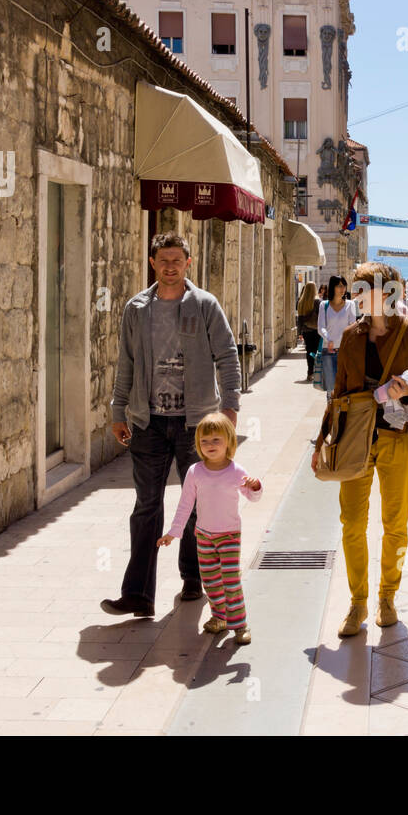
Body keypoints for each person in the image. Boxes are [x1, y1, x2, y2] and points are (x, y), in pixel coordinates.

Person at [104, 233, 241, 617]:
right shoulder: (137, 308)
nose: (169, 266)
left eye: (176, 259)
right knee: (147, 505)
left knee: (196, 502)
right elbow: (126, 362)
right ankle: (138, 595)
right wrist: (119, 411)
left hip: (195, 423)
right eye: (163, 259)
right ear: (152, 263)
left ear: (188, 262)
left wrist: (229, 406)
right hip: (147, 422)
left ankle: (193, 578)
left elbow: (227, 356)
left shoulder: (204, 304)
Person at [313, 261, 408, 638]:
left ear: (387, 294)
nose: (354, 297)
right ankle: (357, 602)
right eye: (354, 290)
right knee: (352, 523)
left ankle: (388, 596)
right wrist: (322, 442)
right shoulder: (352, 336)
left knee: (395, 526)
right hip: (356, 441)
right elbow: (338, 395)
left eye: (361, 290)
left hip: (399, 440)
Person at [158, 413, 262, 644]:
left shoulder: (236, 471)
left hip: (229, 535)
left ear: (229, 442)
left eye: (216, 440)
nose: (210, 445)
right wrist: (173, 533)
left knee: (230, 580)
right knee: (211, 580)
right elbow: (186, 505)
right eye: (204, 441)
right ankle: (219, 617)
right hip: (203, 535)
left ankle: (240, 625)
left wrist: (255, 485)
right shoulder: (195, 471)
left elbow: (253, 497)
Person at [318, 275, 357, 398]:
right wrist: (328, 339)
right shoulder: (324, 305)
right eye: (339, 285)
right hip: (328, 351)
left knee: (344, 387)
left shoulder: (350, 305)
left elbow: (352, 326)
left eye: (344, 286)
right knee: (331, 389)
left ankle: (341, 415)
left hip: (345, 351)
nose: (343, 289)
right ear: (333, 287)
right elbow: (321, 327)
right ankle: (331, 414)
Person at [297, 282, 321, 382]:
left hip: (306, 330)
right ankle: (316, 371)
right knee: (316, 351)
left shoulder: (301, 302)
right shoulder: (317, 301)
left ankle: (310, 371)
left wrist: (299, 332)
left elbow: (300, 319)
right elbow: (321, 316)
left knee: (309, 351)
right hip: (316, 330)